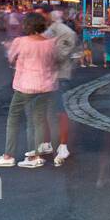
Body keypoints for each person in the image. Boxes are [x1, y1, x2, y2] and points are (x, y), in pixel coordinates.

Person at [0, 12, 58, 169]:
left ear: (26, 25)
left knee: (13, 118)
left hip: (25, 85)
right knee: (38, 119)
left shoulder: (20, 41)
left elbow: (11, 58)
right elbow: (54, 62)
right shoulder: (50, 43)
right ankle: (35, 157)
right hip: (45, 85)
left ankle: (8, 156)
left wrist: (9, 48)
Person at [43, 10, 78, 166]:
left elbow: (59, 55)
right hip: (55, 75)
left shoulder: (63, 33)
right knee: (52, 109)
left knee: (57, 110)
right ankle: (50, 143)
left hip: (58, 75)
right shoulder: (56, 31)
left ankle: (61, 145)